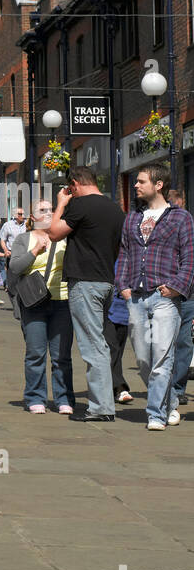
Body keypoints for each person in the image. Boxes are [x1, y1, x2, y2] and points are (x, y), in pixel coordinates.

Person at [115, 163, 194, 431]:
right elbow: (124, 254)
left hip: (165, 297)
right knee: (143, 359)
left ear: (158, 185)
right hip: (136, 296)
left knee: (162, 355)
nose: (135, 185)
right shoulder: (133, 218)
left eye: (141, 181)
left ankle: (155, 414)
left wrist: (177, 287)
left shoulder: (181, 217)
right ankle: (170, 401)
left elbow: (190, 258)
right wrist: (122, 285)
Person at [47, 167, 125, 423]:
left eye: (71, 188)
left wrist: (61, 204)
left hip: (84, 283)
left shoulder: (80, 205)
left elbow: (54, 232)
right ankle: (103, 403)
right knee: (100, 342)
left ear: (76, 184)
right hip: (106, 282)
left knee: (93, 347)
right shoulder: (115, 209)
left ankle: (101, 408)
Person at [7, 211, 74, 414]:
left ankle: (64, 398)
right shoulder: (23, 239)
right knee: (35, 353)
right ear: (32, 217)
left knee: (61, 355)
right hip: (34, 302)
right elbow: (15, 267)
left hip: (62, 301)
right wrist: (35, 249)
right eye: (42, 210)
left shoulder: (66, 238)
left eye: (51, 209)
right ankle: (35, 397)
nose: (48, 213)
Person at [168, 189, 194, 414]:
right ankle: (167, 388)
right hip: (165, 293)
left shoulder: (189, 228)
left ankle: (177, 388)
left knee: (184, 343)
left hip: (187, 296)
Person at [105, 287, 132, 406]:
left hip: (124, 312)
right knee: (112, 350)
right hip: (106, 309)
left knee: (118, 353)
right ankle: (120, 387)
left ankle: (112, 389)